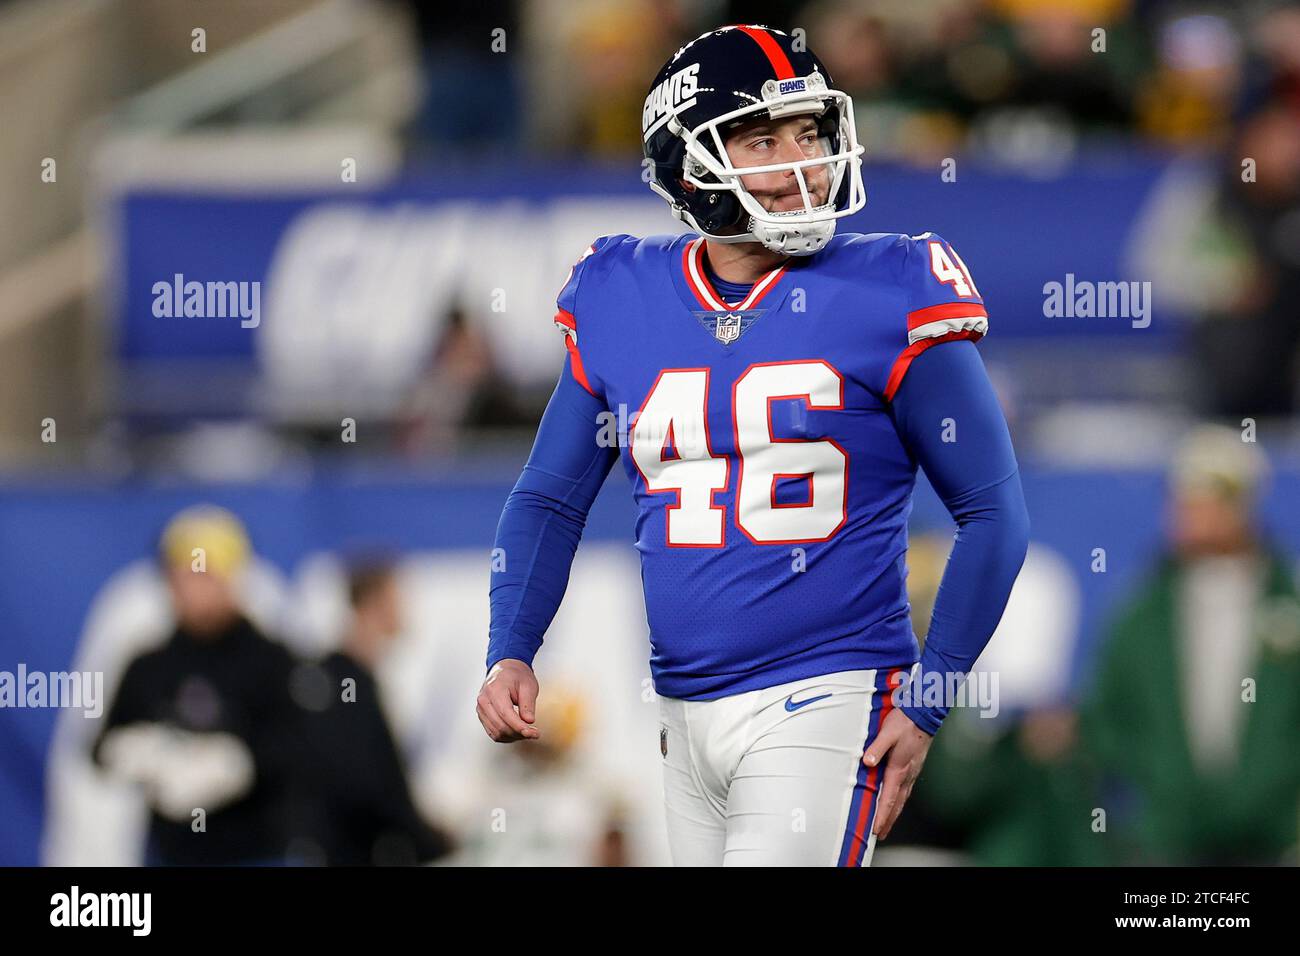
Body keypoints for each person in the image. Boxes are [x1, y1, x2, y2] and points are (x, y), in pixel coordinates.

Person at [478, 24, 1030, 866]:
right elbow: (550, 496)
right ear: (692, 166)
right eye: (763, 138)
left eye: (809, 132)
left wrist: (926, 703)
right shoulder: (622, 291)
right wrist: (509, 647)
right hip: (679, 711)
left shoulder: (892, 286)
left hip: (830, 688)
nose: (802, 160)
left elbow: (993, 512)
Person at [1080, 424, 1300, 864]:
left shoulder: (1287, 605)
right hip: (1167, 841)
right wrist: (1145, 802)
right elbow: (1105, 721)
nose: (1193, 512)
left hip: (1276, 841)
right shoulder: (1141, 614)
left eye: (1212, 497)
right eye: (1184, 498)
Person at [93, 506, 298, 866]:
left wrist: (239, 764)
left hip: (257, 852)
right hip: (171, 856)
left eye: (201, 574)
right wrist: (139, 753)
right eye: (178, 576)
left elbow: (306, 747)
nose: (188, 587)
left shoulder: (273, 661)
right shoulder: (149, 664)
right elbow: (101, 746)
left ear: (232, 578)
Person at [284, 558, 454, 865]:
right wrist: (425, 839)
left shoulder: (355, 679)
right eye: (397, 599)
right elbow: (364, 784)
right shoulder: (341, 683)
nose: (405, 611)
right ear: (375, 603)